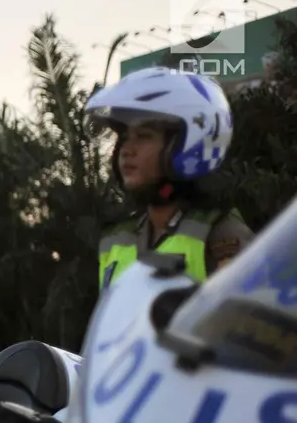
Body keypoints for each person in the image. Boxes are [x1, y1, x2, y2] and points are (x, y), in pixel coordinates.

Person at [90, 66, 255, 293]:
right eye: (125, 138)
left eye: (144, 136)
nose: (126, 150)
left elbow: (249, 321)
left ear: (186, 145)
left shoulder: (220, 234)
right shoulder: (115, 239)